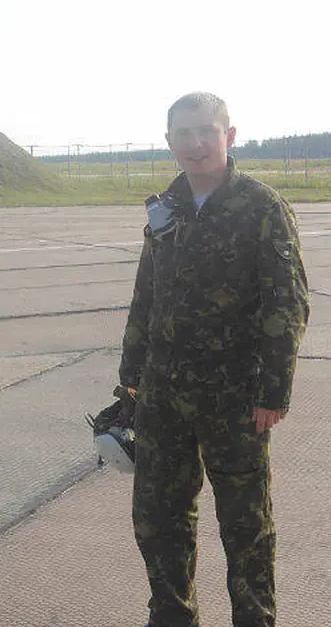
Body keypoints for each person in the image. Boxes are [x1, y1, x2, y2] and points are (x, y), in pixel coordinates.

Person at [118, 92, 310, 627]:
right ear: (169, 141)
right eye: (184, 133)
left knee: (246, 525)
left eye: (207, 131)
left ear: (230, 136)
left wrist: (274, 391)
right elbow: (146, 296)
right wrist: (130, 380)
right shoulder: (167, 206)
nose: (196, 143)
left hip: (236, 397)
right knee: (158, 517)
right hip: (163, 392)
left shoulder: (261, 206)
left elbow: (287, 302)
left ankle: (254, 618)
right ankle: (172, 616)